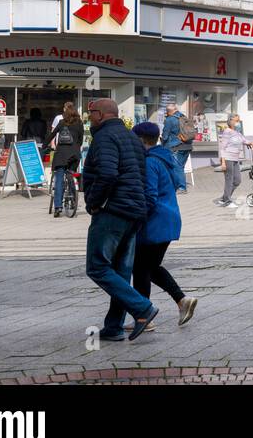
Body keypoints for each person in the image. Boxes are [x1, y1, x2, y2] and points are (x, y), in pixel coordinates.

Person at [82, 98, 157, 341]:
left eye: (91, 113)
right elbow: (141, 175)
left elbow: (106, 173)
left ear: (101, 114)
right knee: (121, 271)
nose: (88, 117)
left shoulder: (104, 137)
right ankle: (114, 326)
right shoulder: (132, 139)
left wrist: (93, 202)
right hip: (134, 211)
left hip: (112, 211)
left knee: (97, 266)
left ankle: (142, 308)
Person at [131, 122, 199, 327]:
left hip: (155, 222)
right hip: (168, 219)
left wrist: (136, 217)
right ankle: (181, 301)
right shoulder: (165, 157)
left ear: (142, 141)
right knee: (149, 267)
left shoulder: (150, 162)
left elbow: (150, 196)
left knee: (141, 268)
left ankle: (143, 318)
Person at [46, 101, 83, 218]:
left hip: (61, 155)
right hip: (74, 155)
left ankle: (58, 207)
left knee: (59, 180)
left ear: (65, 112)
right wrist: (76, 147)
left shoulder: (62, 123)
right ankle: (72, 200)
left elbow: (52, 135)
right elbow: (81, 139)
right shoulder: (79, 123)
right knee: (70, 174)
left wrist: (44, 146)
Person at [215, 113, 253, 207]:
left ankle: (224, 197)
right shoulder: (227, 132)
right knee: (229, 180)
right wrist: (223, 162)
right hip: (227, 159)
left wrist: (252, 143)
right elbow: (222, 148)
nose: (238, 123)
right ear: (230, 121)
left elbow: (245, 140)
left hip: (235, 159)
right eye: (236, 121)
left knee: (237, 180)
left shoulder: (237, 133)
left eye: (238, 120)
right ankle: (227, 201)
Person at [160, 102, 193, 188]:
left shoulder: (169, 120)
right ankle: (177, 185)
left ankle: (182, 187)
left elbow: (165, 136)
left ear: (169, 111)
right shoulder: (183, 117)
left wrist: (162, 142)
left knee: (177, 167)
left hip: (176, 146)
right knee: (180, 167)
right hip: (188, 145)